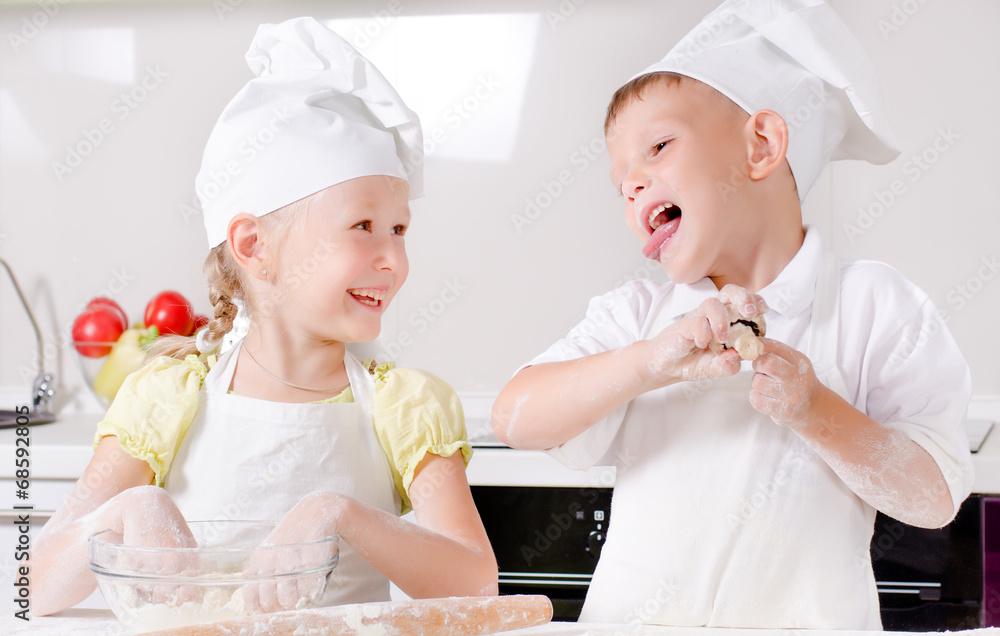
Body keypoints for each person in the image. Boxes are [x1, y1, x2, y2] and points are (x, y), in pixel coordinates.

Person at [492, 0, 973, 629]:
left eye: (658, 147)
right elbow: (516, 417)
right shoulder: (639, 317)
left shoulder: (875, 306)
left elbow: (932, 496)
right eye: (621, 184)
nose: (633, 185)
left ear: (763, 145)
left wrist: (816, 411)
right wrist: (648, 364)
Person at [32, 17, 497, 616]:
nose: (394, 259)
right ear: (254, 247)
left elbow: (476, 584)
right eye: (363, 226)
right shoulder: (169, 397)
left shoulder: (404, 407)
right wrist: (128, 511)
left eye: (400, 229)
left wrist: (340, 514)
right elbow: (34, 588)